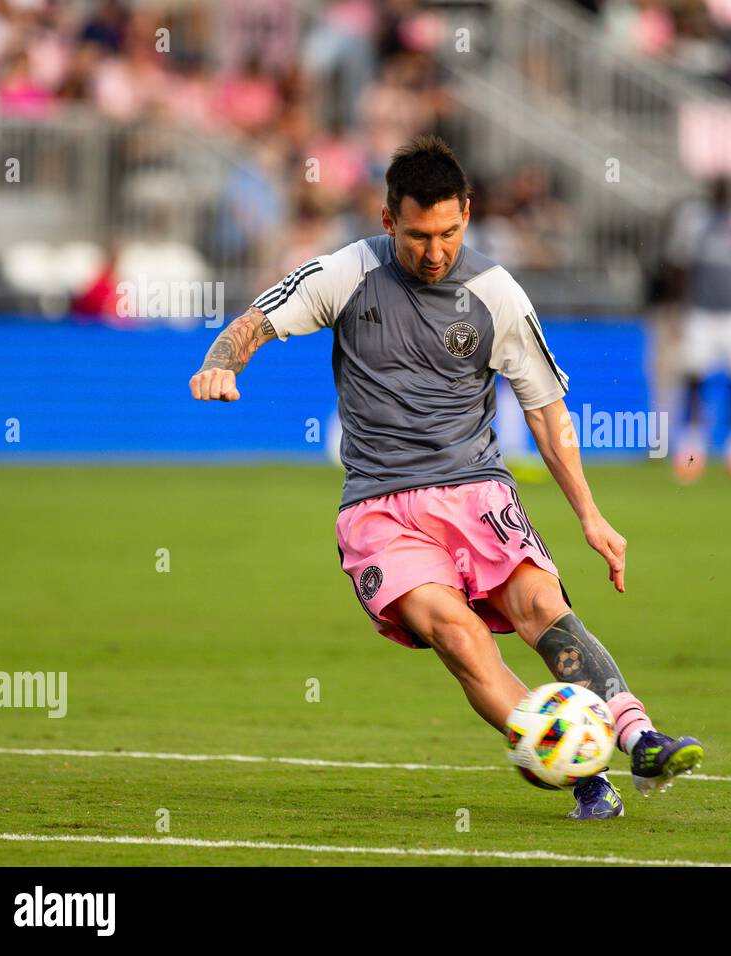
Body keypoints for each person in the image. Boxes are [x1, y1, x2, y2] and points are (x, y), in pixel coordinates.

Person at [188, 135, 704, 819]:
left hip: (476, 489)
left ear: (468, 212)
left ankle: (639, 737)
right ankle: (583, 773)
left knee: (540, 608)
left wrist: (591, 515)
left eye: (449, 233)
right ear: (386, 220)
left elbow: (548, 415)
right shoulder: (348, 273)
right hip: (379, 510)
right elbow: (257, 319)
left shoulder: (496, 293)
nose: (434, 252)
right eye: (417, 236)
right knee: (458, 637)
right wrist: (222, 362)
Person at [665, 178, 731, 482]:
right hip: (700, 313)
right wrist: (678, 310)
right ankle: (692, 453)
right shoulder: (692, 221)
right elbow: (679, 268)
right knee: (694, 381)